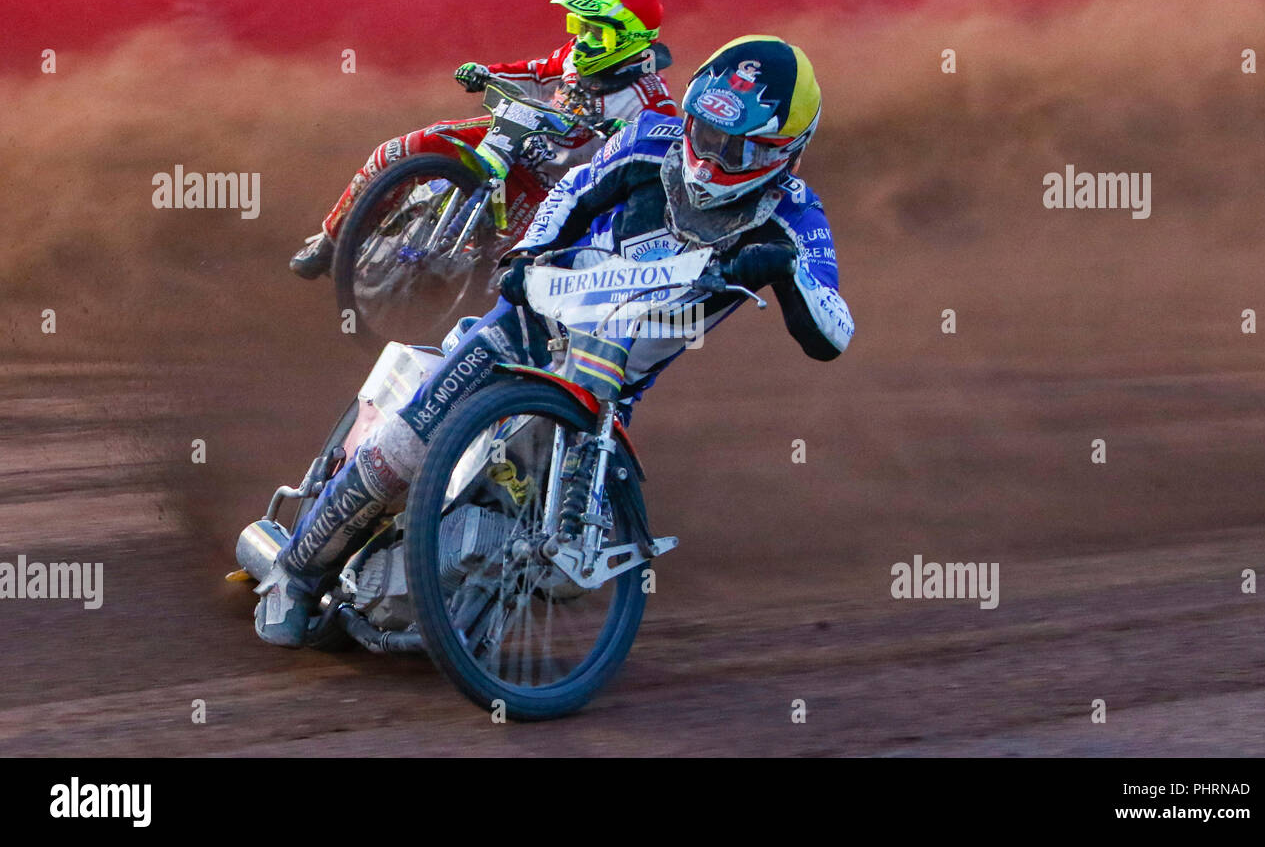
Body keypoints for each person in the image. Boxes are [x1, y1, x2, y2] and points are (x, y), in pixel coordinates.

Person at [255, 35, 854, 646]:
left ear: (788, 151)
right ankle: (294, 575)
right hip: (532, 322)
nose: (713, 158)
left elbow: (835, 330)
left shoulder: (796, 218)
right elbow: (570, 191)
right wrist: (527, 253)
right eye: (705, 134)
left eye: (740, 148)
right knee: (411, 440)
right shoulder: (650, 140)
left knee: (562, 562)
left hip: (608, 384)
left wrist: (787, 271)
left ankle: (460, 610)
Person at [289, 0, 679, 279]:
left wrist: (622, 140)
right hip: (514, 135)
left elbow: (658, 176)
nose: (582, 40)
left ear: (631, 37)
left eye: (598, 32)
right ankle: (330, 242)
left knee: (514, 269)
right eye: (579, 26)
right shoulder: (573, 57)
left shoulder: (654, 103)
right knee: (398, 151)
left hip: (555, 187)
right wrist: (485, 73)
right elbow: (532, 73)